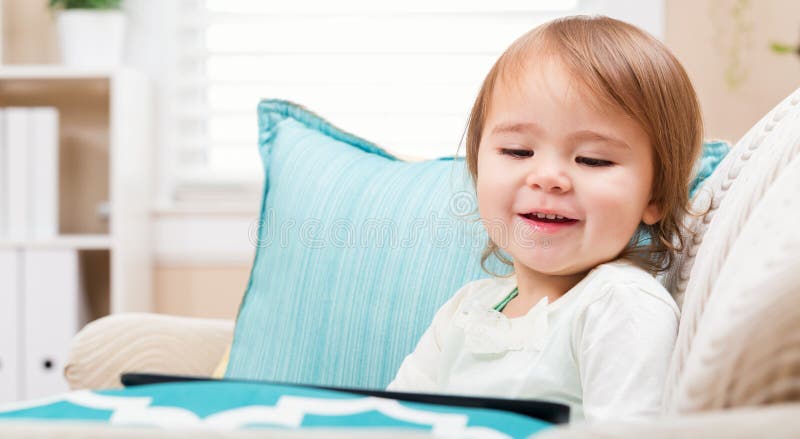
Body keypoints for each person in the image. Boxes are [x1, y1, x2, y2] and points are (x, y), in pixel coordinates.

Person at [387, 15, 704, 422]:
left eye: (593, 159)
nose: (548, 178)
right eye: (518, 152)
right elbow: (394, 421)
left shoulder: (620, 306)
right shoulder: (466, 308)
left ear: (655, 194)